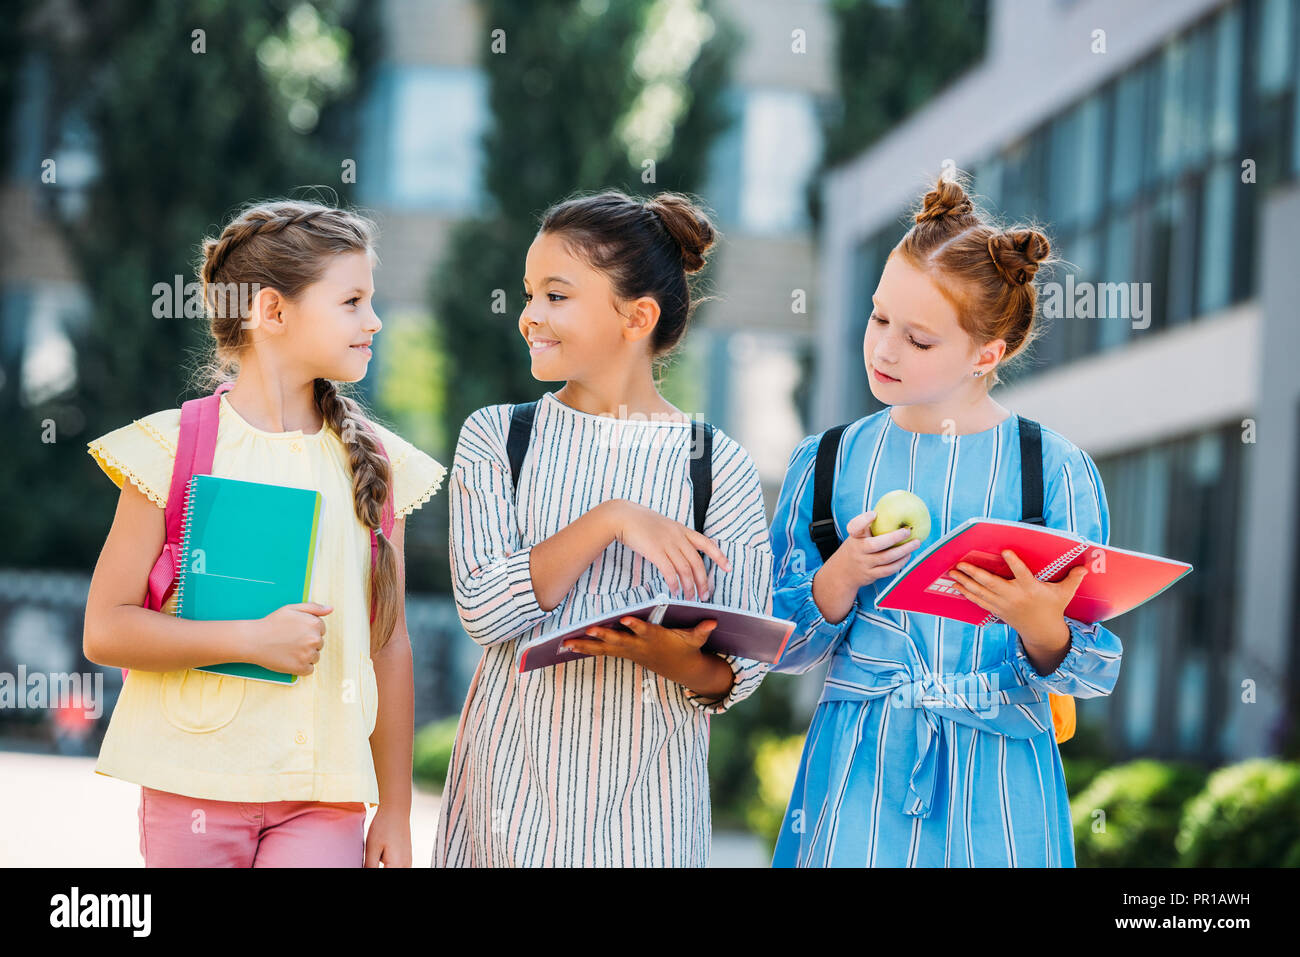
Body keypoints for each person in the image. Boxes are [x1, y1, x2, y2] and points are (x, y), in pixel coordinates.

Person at [769, 173, 1122, 867]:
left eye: (919, 339)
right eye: (878, 318)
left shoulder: (1051, 470)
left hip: (1001, 778)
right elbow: (783, 647)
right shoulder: (828, 462)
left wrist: (1038, 620)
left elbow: (1090, 664)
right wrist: (838, 577)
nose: (885, 349)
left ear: (987, 354)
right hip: (855, 775)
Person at [83, 200, 445, 867]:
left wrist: (394, 804)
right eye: (353, 301)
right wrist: (251, 639)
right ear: (273, 312)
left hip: (322, 796)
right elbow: (106, 629)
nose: (375, 321)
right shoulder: (169, 450)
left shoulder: (376, 463)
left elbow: (388, 643)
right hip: (191, 783)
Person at [433, 190, 773, 866]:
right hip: (509, 808)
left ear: (637, 316)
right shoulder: (499, 438)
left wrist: (668, 655)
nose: (530, 316)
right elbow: (482, 605)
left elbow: (744, 665)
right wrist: (612, 519)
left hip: (650, 823)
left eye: (556, 296)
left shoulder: (717, 463)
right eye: (529, 294)